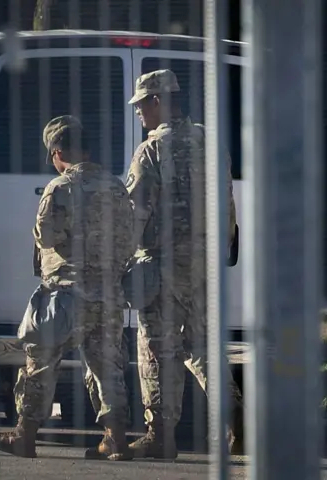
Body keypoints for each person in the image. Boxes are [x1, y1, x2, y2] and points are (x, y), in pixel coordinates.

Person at [0, 115, 135, 461]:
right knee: (108, 367)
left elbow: (46, 236)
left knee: (40, 362)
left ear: (58, 152)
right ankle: (116, 439)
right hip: (109, 294)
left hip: (65, 295)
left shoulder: (59, 189)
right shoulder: (116, 187)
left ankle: (24, 436)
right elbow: (130, 238)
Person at [124, 69, 244, 459]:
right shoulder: (209, 142)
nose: (139, 112)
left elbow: (135, 213)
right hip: (204, 261)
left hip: (163, 263)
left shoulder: (151, 151)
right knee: (202, 345)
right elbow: (227, 203)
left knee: (156, 348)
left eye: (142, 104)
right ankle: (236, 421)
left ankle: (160, 435)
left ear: (158, 100)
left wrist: (118, 258)